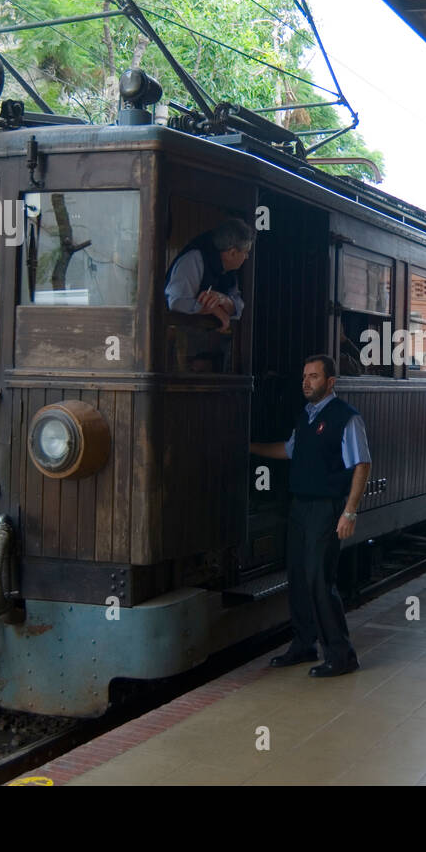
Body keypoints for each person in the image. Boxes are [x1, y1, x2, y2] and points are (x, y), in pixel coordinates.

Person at [250, 355, 371, 677]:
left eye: (314, 377)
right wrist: (250, 448)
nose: (306, 382)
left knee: (319, 579)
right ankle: (304, 645)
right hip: (300, 506)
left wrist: (349, 512)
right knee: (300, 578)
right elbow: (289, 451)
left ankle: (341, 654)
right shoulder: (305, 416)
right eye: (304, 376)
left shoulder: (346, 418)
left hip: (327, 508)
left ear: (330, 382)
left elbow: (362, 464)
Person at [164, 219, 255, 371]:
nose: (247, 257)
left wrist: (224, 300)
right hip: (178, 349)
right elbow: (176, 302)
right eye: (245, 252)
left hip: (206, 345)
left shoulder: (230, 271)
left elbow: (238, 307)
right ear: (232, 252)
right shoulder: (194, 259)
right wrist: (215, 309)